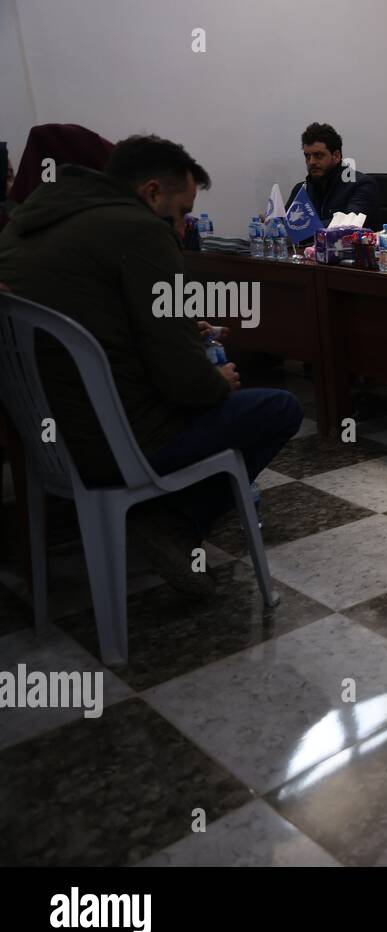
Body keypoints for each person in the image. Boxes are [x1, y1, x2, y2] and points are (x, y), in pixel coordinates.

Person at [0, 134, 303, 597]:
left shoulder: (22, 227)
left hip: (45, 442)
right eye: (182, 213)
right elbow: (185, 382)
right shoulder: (138, 230)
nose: (183, 227)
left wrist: (180, 325)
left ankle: (154, 517)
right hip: (118, 443)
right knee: (277, 407)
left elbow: (97, 321)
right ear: (152, 193)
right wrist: (216, 380)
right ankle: (171, 522)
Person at [286, 122, 379, 230]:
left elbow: (350, 225)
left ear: (336, 156)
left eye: (318, 155)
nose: (311, 162)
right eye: (307, 156)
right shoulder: (301, 189)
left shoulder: (361, 185)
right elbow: (286, 224)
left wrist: (302, 229)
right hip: (307, 247)